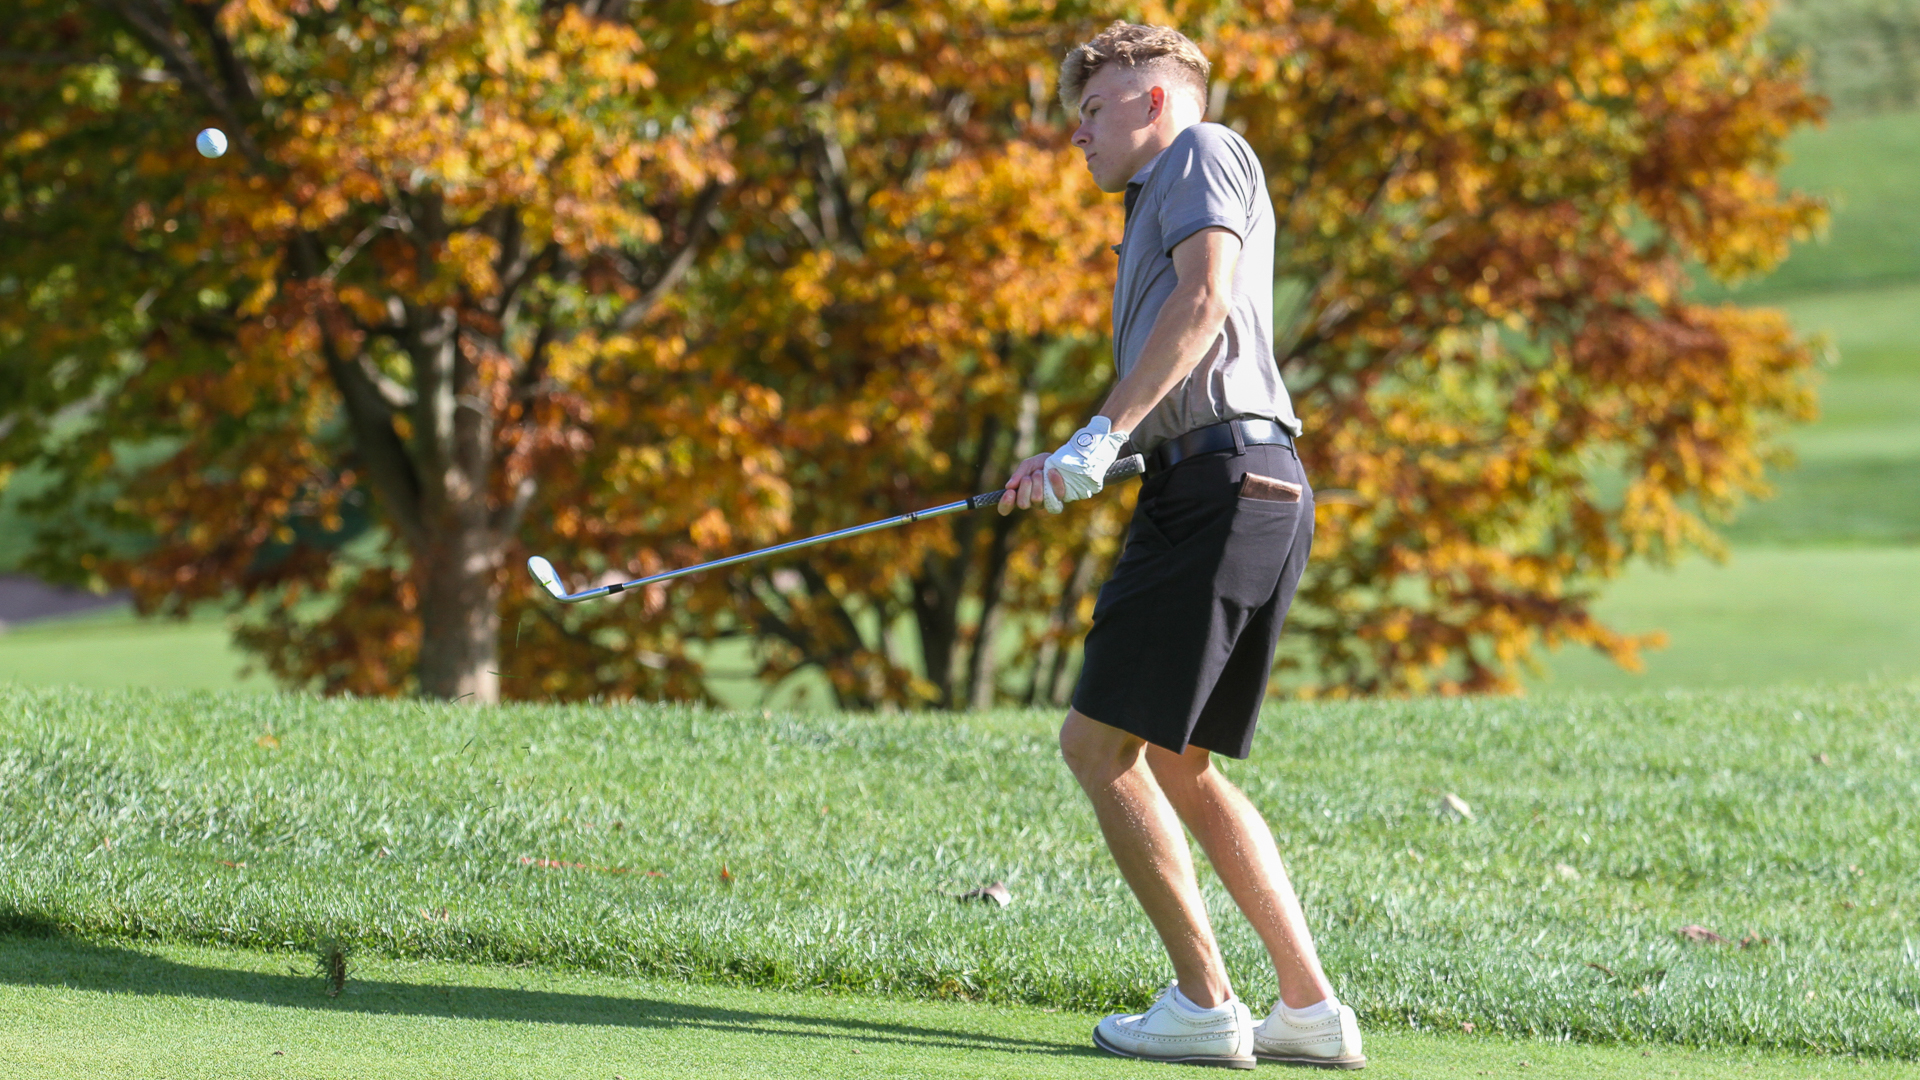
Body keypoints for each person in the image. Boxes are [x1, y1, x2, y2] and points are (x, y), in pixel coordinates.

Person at [998, 21, 1365, 1070]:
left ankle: (1205, 1005)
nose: (1078, 133)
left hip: (1219, 486)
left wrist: (1103, 432)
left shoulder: (1203, 151)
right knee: (1177, 758)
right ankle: (1307, 1009)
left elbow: (1205, 303)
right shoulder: (1152, 200)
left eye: (1094, 108)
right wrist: (1093, 452)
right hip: (1245, 481)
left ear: (1153, 100)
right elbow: (1192, 352)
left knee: (1095, 746)